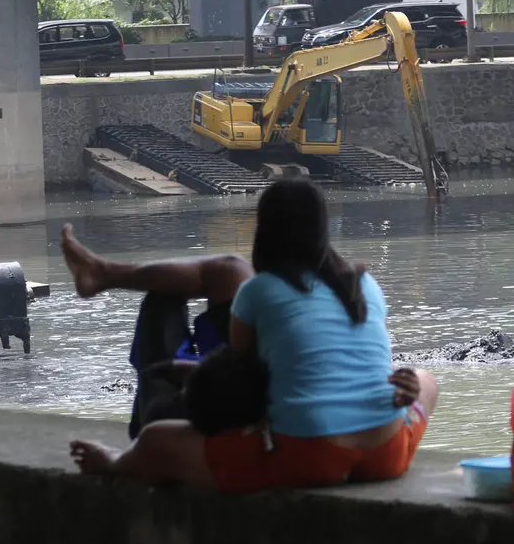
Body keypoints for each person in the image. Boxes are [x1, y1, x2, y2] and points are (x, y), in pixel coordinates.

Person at [68, 179, 439, 493]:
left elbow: (245, 384)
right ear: (323, 229)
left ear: (263, 230)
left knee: (154, 442)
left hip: (311, 457)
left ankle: (114, 462)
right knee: (426, 380)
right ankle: (101, 273)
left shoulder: (258, 291)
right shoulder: (364, 285)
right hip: (388, 453)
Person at [61, 223, 252, 439]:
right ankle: (100, 272)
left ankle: (102, 272)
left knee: (172, 293)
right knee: (226, 272)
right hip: (235, 396)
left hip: (191, 421)